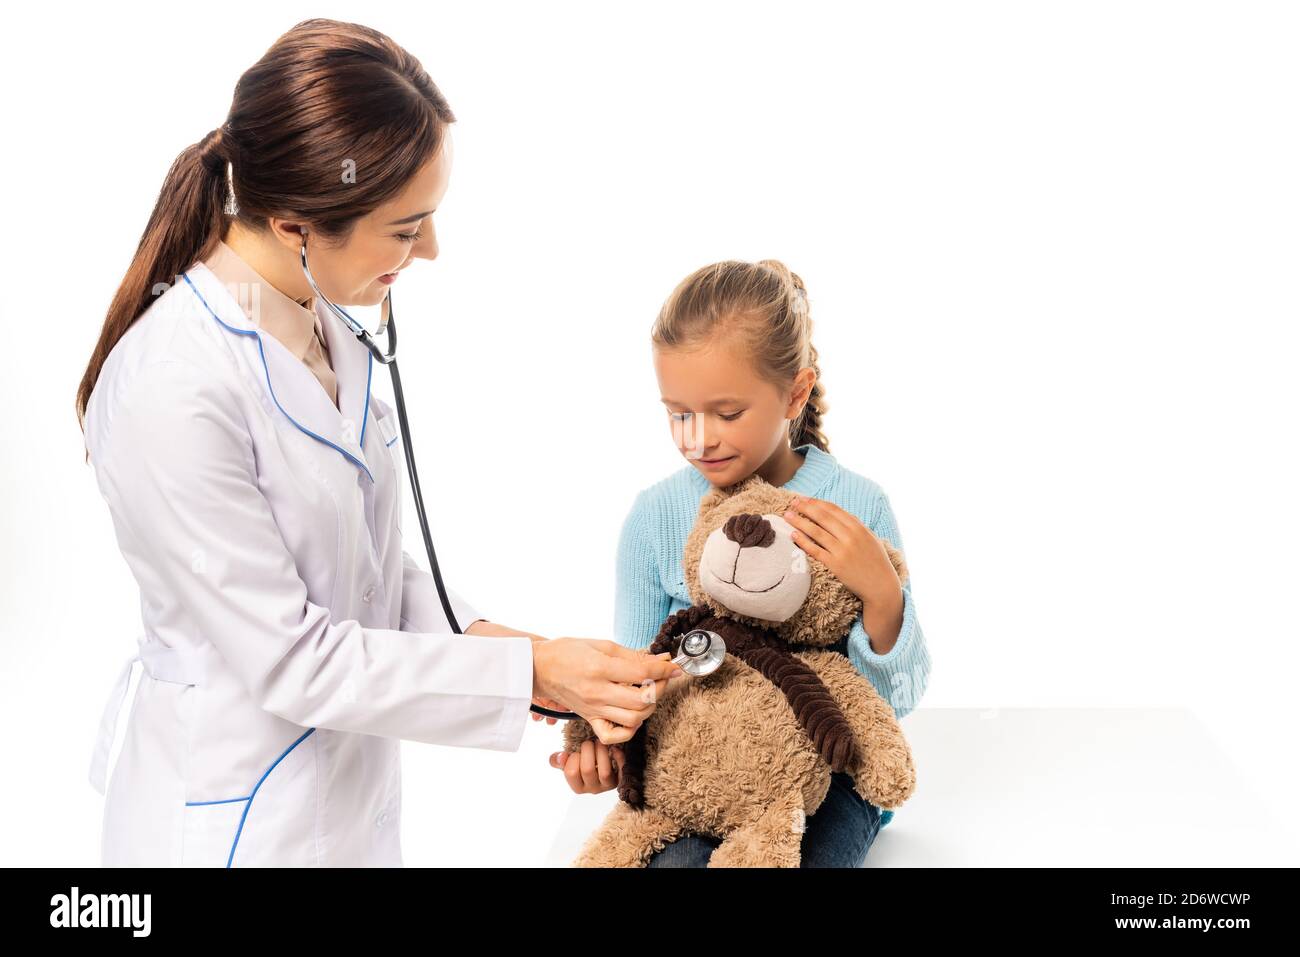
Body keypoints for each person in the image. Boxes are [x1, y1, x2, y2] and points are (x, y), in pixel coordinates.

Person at [74, 18, 682, 868]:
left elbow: (367, 572)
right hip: (229, 824)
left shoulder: (327, 329)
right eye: (406, 228)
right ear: (295, 224)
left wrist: (552, 665)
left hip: (345, 810)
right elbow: (296, 659)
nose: (431, 250)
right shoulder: (169, 385)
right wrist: (536, 674)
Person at [550, 259, 931, 866]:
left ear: (795, 393)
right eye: (678, 413)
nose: (698, 439)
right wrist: (605, 746)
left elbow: (894, 701)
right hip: (700, 769)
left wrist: (883, 597)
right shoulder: (655, 516)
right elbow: (635, 675)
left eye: (727, 414)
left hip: (822, 768)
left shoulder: (858, 506)